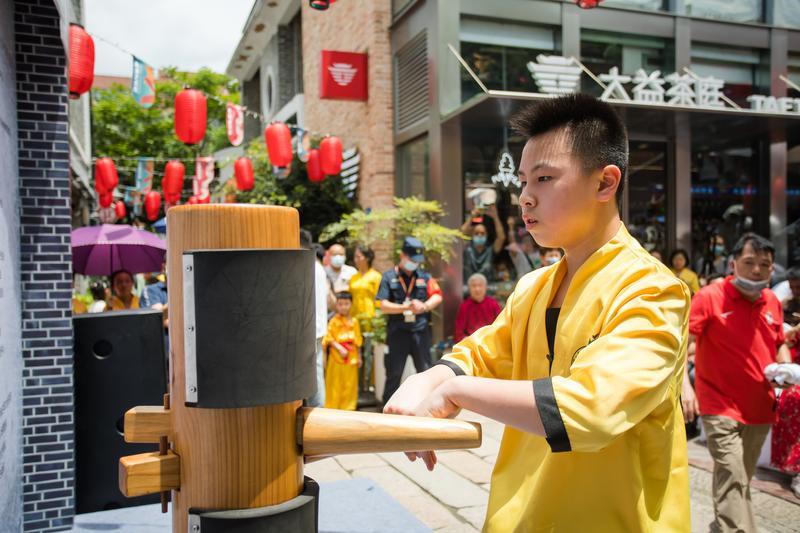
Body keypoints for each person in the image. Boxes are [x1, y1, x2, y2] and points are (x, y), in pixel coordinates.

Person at [384, 94, 691, 531]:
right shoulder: (533, 286)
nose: (525, 198)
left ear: (605, 183)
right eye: (524, 181)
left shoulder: (653, 289)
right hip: (518, 516)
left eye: (545, 178)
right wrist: (427, 379)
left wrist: (457, 393)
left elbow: (589, 409)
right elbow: (480, 353)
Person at [682, 233, 792, 533]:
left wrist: (785, 365)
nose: (757, 270)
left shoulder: (772, 301)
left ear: (772, 269)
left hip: (759, 407)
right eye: (749, 262)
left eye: (764, 264)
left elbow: (779, 341)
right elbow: (683, 344)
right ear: (733, 264)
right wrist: (684, 385)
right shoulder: (709, 297)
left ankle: (723, 525)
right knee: (731, 472)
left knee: (740, 475)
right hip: (718, 404)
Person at [376, 237, 443, 404]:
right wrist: (405, 308)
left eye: (417, 260)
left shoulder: (424, 276)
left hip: (420, 332)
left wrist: (424, 306)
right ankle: (386, 411)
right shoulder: (388, 277)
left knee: (426, 371)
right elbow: (382, 304)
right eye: (412, 260)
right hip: (397, 333)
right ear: (402, 256)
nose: (415, 263)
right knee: (394, 373)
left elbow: (437, 295)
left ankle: (430, 408)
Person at [301, 229, 335, 407]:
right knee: (315, 369)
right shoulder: (318, 267)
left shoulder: (306, 265)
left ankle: (316, 410)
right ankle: (316, 408)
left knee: (314, 371)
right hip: (317, 327)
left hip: (309, 328)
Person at [348, 245, 383, 394]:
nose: (356, 259)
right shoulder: (353, 277)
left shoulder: (375, 276)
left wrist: (379, 319)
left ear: (367, 258)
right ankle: (357, 386)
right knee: (356, 352)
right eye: (355, 257)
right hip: (355, 320)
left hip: (371, 319)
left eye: (359, 256)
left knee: (370, 353)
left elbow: (380, 299)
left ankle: (371, 386)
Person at [322, 292, 363, 410]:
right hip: (336, 358)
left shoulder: (354, 321)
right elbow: (328, 338)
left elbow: (358, 341)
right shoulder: (333, 321)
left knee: (350, 386)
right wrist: (339, 348)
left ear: (351, 304)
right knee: (334, 385)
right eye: (340, 304)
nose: (343, 306)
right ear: (336, 305)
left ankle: (349, 409)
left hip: (351, 358)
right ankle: (332, 409)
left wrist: (359, 357)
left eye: (346, 304)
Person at [461, 204, 506, 283]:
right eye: (477, 233)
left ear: (486, 235)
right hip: (468, 290)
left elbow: (501, 237)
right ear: (472, 235)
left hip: (487, 289)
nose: (479, 235)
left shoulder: (490, 250)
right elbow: (460, 235)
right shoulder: (467, 250)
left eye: (482, 233)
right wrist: (471, 216)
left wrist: (495, 217)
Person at [454, 273, 501, 342]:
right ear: (469, 288)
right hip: (471, 343)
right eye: (474, 286)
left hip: (491, 342)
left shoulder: (493, 304)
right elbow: (459, 332)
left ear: (485, 287)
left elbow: (500, 327)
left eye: (480, 285)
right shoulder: (464, 306)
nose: (477, 289)